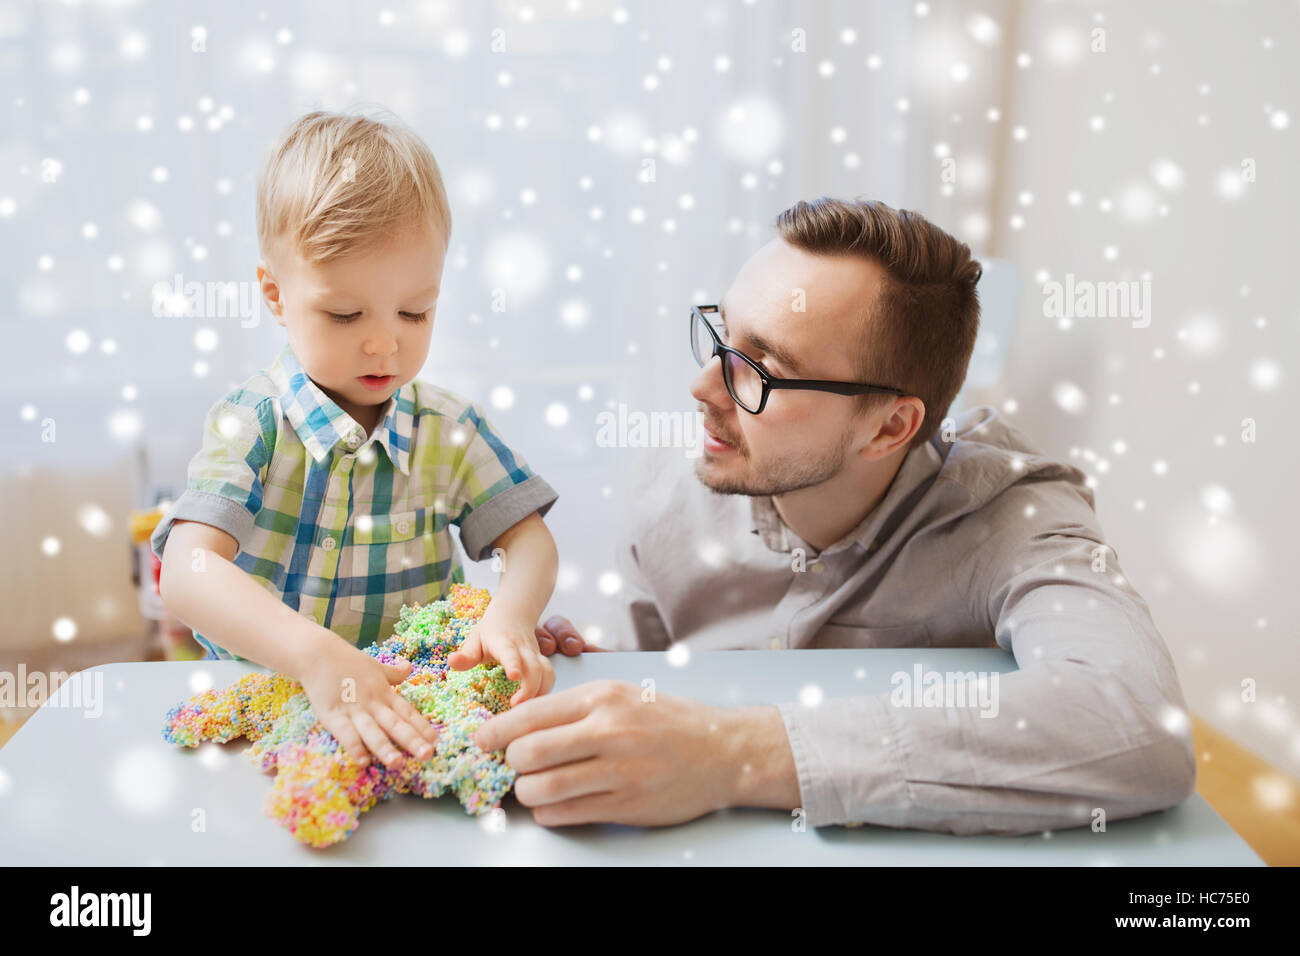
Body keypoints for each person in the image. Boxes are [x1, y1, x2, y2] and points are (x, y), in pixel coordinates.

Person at [478, 196, 1197, 836]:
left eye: (759, 370)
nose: (703, 387)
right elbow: (674, 688)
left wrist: (733, 754)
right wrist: (615, 680)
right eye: (721, 337)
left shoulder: (1016, 512)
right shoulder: (675, 490)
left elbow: (1136, 723)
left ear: (889, 428)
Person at [151, 109, 560, 772]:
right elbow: (189, 572)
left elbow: (530, 541)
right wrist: (316, 656)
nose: (384, 341)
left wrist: (511, 615)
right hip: (268, 708)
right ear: (275, 295)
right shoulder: (251, 420)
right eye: (345, 313)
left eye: (415, 311)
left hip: (413, 715)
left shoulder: (449, 429)